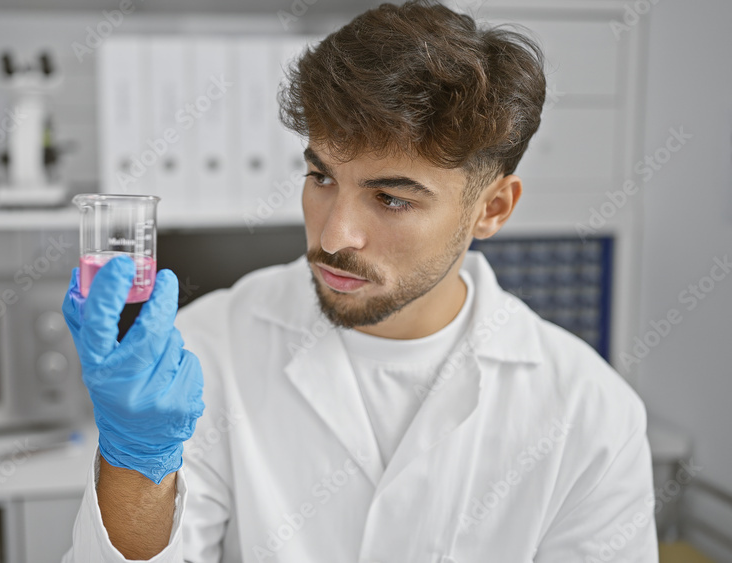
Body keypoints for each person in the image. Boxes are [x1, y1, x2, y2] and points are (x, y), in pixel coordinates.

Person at [62, 1, 658, 561]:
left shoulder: (590, 414)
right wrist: (136, 459)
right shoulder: (204, 352)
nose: (333, 236)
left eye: (392, 199)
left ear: (493, 208)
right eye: (321, 178)